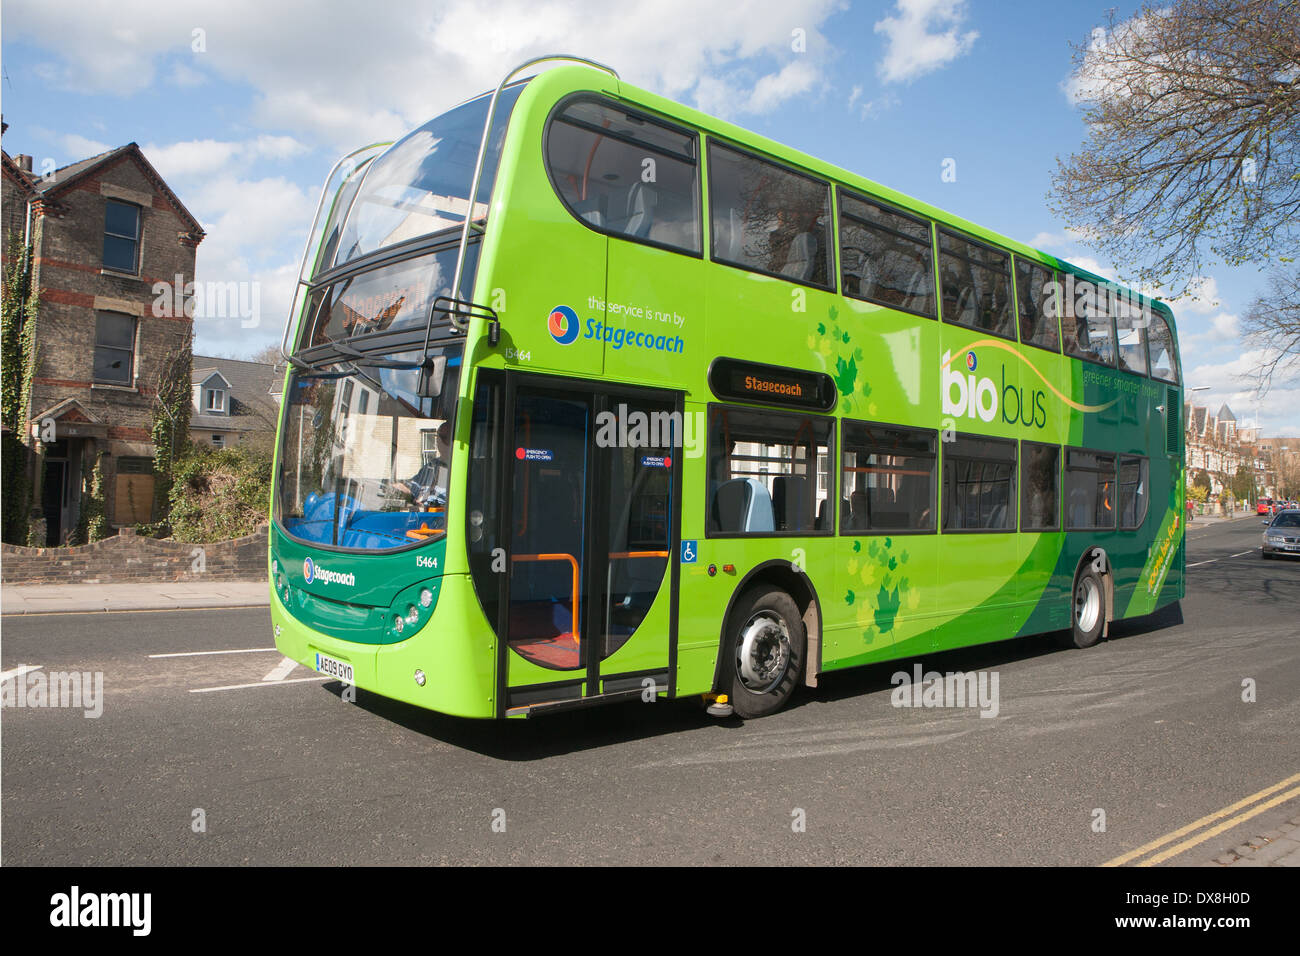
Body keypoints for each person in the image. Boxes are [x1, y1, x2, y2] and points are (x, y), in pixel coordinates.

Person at [393, 420, 451, 507]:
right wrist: (401, 488)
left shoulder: (461, 469)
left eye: (444, 437)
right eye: (438, 437)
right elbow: (412, 488)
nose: (440, 441)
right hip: (422, 516)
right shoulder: (430, 466)